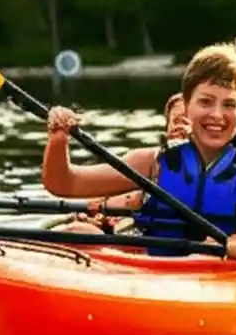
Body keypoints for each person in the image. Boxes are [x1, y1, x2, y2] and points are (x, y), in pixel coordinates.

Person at [42, 42, 236, 263]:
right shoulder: (153, 163)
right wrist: (58, 140)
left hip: (229, 281)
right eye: (206, 102)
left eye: (229, 105)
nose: (217, 115)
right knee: (79, 232)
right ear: (186, 105)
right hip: (158, 277)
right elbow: (64, 183)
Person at [49, 92, 189, 235]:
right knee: (78, 230)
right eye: (177, 121)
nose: (181, 127)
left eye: (189, 121)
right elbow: (62, 182)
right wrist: (59, 136)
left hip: (197, 247)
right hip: (139, 247)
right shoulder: (150, 161)